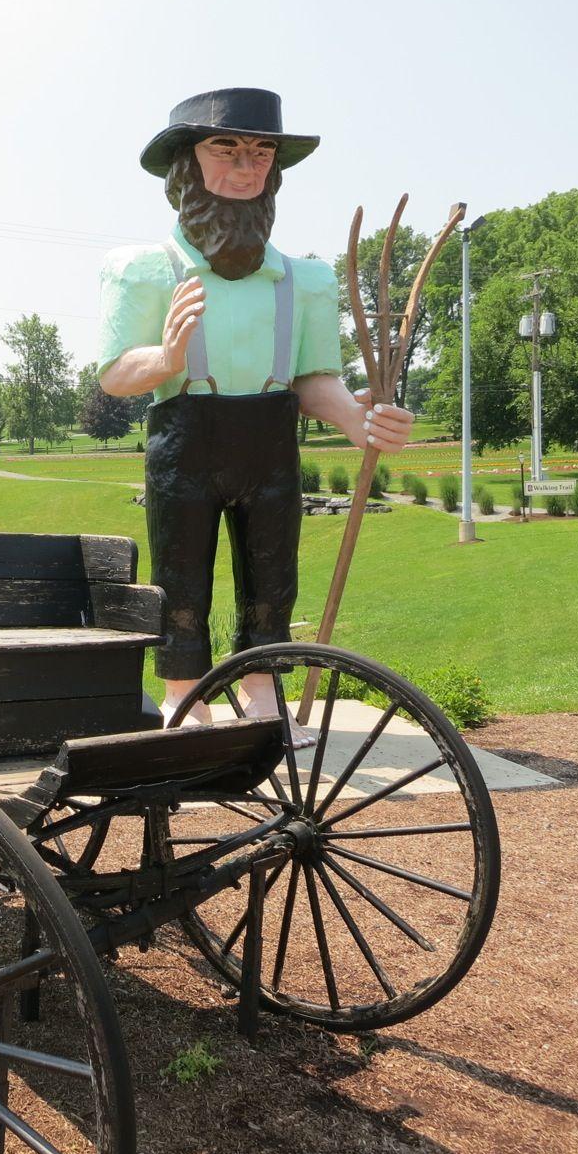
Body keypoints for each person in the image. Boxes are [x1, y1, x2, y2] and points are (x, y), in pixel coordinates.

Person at [98, 87, 413, 737]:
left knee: (273, 572)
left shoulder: (304, 280)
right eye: (227, 149)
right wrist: (164, 356)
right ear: (187, 162)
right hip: (187, 436)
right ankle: (184, 697)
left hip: (269, 438)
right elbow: (115, 374)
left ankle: (262, 694)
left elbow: (314, 380)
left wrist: (356, 420)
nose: (247, 168)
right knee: (180, 574)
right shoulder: (146, 270)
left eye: (261, 152)